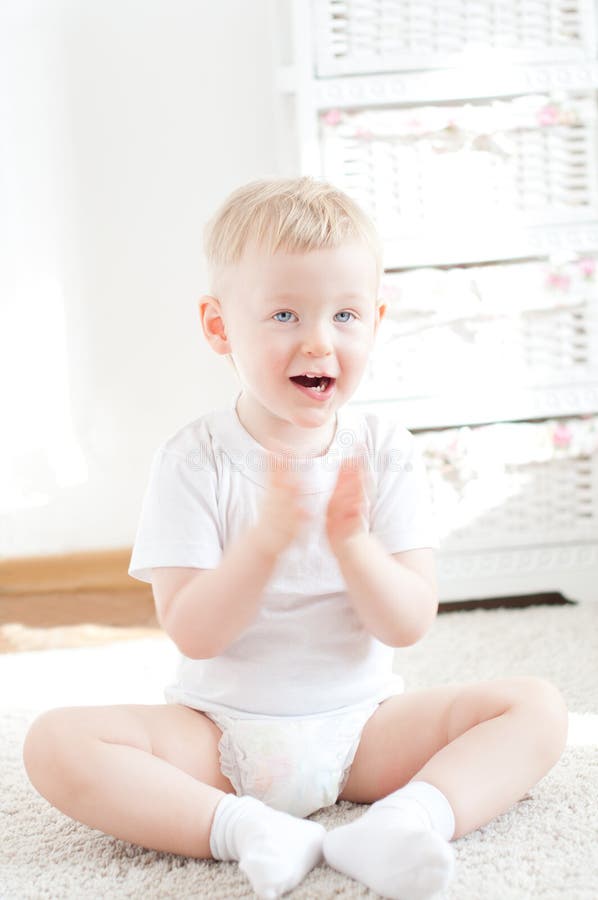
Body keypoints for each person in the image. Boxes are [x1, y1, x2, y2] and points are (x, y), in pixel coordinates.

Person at [22, 176, 569, 900]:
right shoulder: (194, 460)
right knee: (55, 744)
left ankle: (405, 821)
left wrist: (353, 547)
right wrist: (266, 542)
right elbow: (194, 632)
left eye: (345, 315)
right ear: (220, 328)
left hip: (364, 732)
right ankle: (246, 829)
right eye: (284, 314)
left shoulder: (386, 451)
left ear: (375, 321)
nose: (318, 339)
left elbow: (408, 622)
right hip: (219, 737)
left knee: (536, 709)